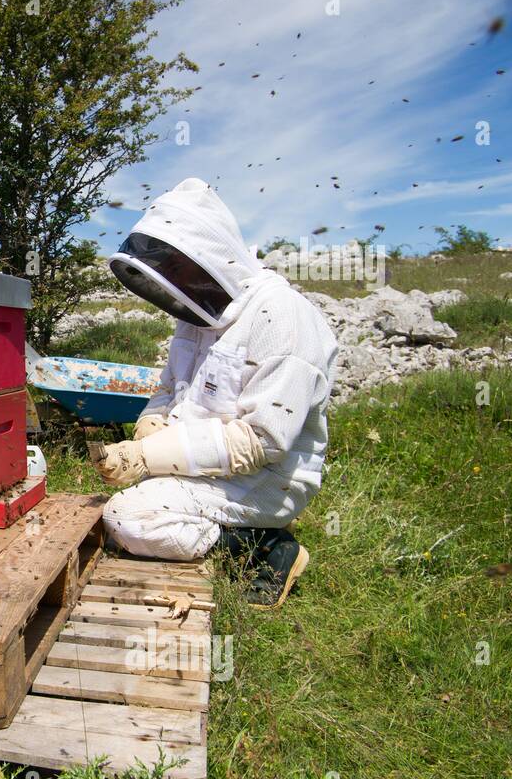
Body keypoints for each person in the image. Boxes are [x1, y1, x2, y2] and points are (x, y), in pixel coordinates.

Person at [94, 177, 338, 608]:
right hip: (202, 463)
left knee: (126, 518)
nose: (174, 282)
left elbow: (262, 441)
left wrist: (149, 458)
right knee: (116, 510)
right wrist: (150, 424)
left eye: (178, 266)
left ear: (210, 255)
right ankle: (221, 532)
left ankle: (265, 546)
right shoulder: (197, 315)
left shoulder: (283, 319)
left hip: (264, 479)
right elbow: (172, 387)